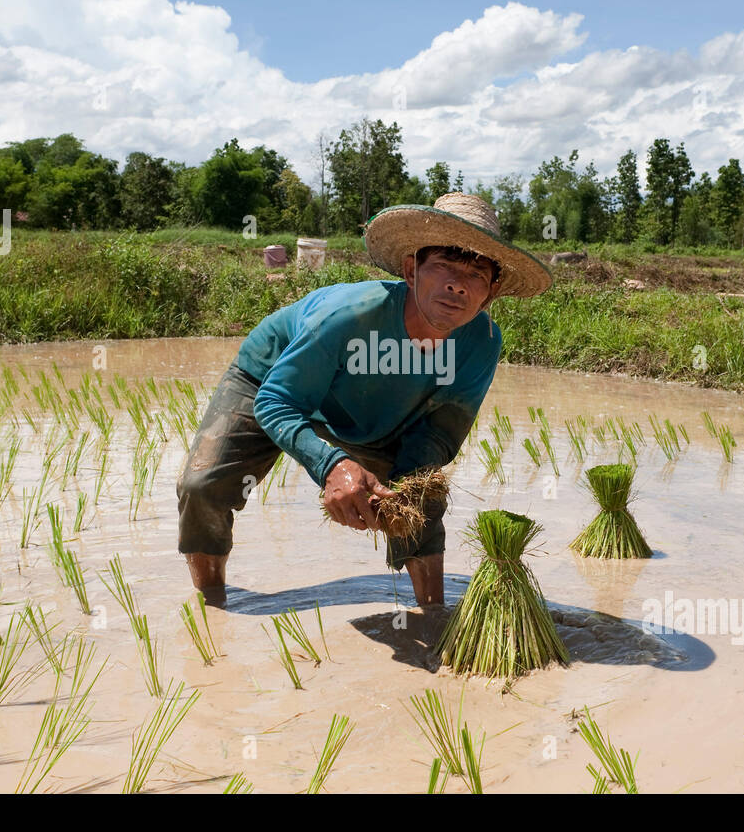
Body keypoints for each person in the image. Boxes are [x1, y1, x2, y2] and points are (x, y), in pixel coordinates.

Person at [175, 192, 552, 605]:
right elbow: (277, 401)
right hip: (273, 381)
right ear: (411, 269)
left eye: (477, 273)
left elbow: (441, 430)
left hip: (371, 406)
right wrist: (331, 465)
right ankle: (212, 604)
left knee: (422, 492)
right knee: (202, 483)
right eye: (443, 264)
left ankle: (432, 611)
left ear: (492, 291)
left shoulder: (481, 341)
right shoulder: (349, 316)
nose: (457, 284)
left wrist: (404, 490)